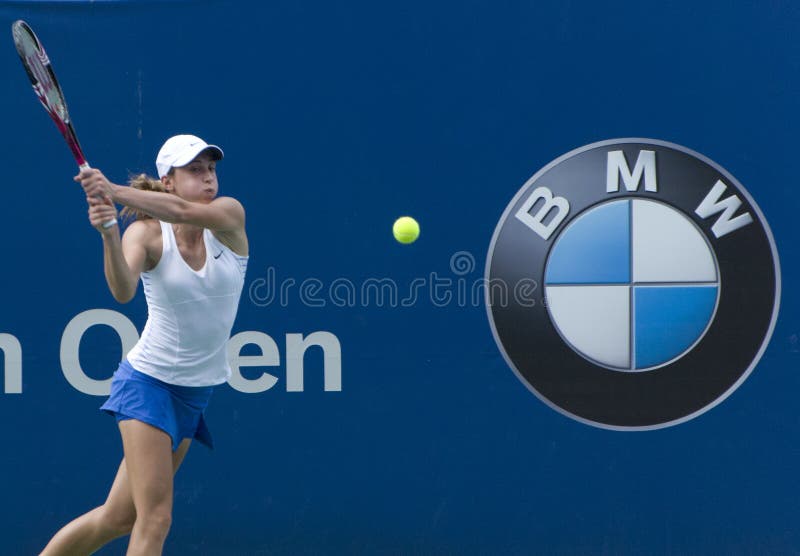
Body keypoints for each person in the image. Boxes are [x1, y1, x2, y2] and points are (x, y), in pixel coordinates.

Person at [40, 134, 249, 556]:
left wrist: (112, 190)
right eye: (194, 171)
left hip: (194, 393)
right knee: (155, 518)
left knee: (118, 518)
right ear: (167, 180)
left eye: (210, 169)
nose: (208, 179)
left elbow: (185, 211)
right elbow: (122, 290)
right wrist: (108, 235)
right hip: (148, 384)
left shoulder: (229, 218)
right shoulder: (148, 235)